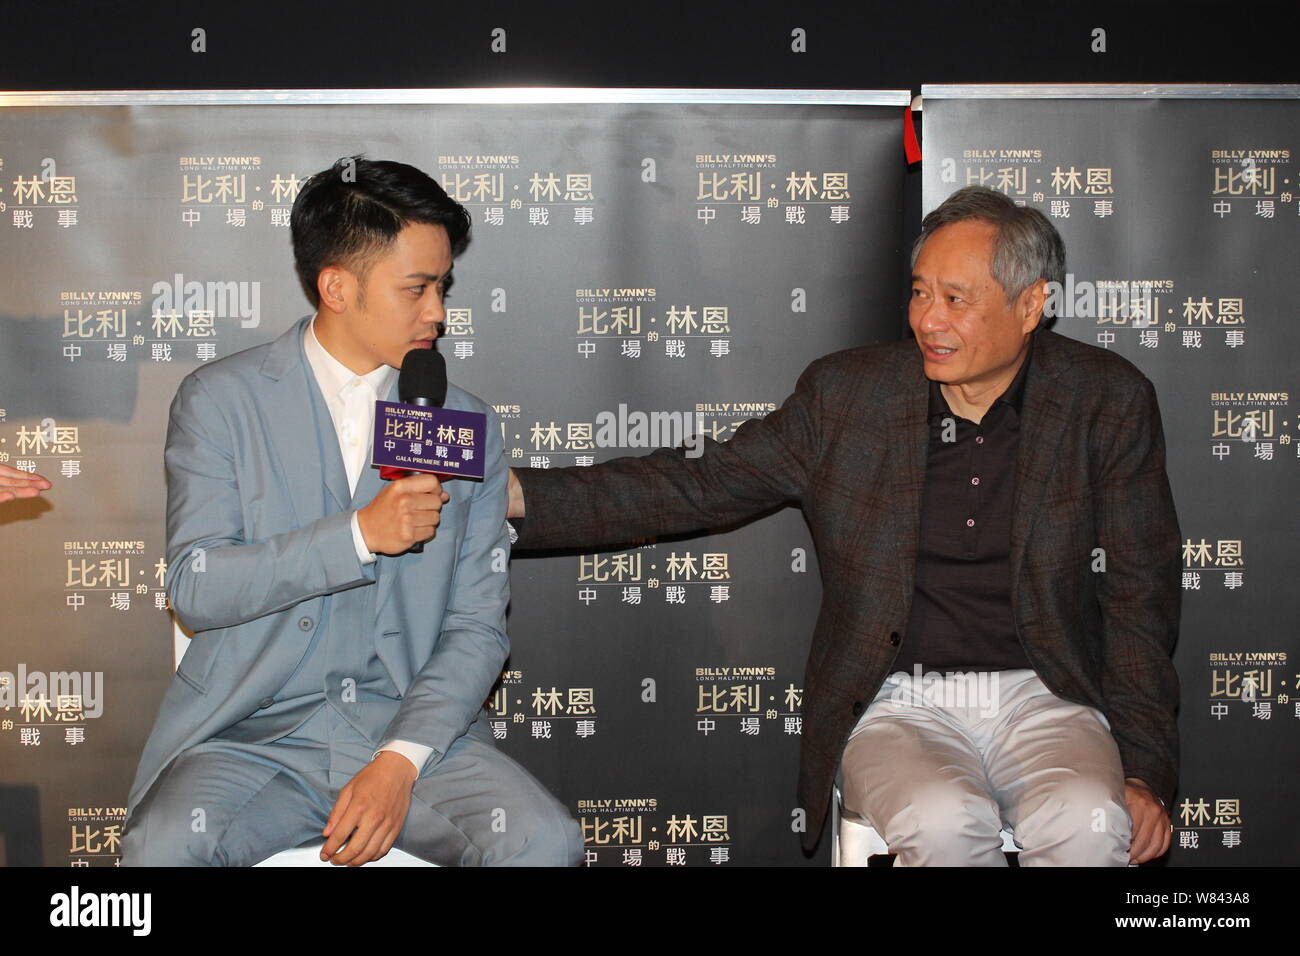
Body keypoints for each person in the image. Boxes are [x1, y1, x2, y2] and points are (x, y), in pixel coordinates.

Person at [508, 185, 1180, 866]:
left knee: (1090, 820)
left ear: (1031, 304)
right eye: (920, 293)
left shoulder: (1106, 400)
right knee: (944, 822)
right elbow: (699, 483)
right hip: (897, 697)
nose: (928, 320)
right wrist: (516, 496)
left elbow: (1139, 596)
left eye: (956, 299)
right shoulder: (849, 397)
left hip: (1046, 694)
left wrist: (1146, 770)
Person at [123, 156, 582, 867]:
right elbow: (197, 586)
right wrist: (359, 535)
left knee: (543, 841)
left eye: (443, 286)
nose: (437, 312)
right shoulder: (221, 401)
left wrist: (399, 761)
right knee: (164, 847)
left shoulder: (464, 424)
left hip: (413, 738)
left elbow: (477, 626)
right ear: (337, 286)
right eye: (417, 288)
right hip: (252, 740)